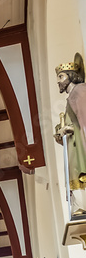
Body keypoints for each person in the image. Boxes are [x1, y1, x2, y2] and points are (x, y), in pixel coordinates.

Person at [54, 54, 86, 216]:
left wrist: (69, 128)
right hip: (74, 145)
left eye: (61, 76)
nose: (58, 81)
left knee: (81, 171)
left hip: (80, 143)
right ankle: (79, 206)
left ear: (72, 76)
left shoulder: (80, 91)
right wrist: (60, 132)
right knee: (75, 173)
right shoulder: (69, 99)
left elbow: (84, 118)